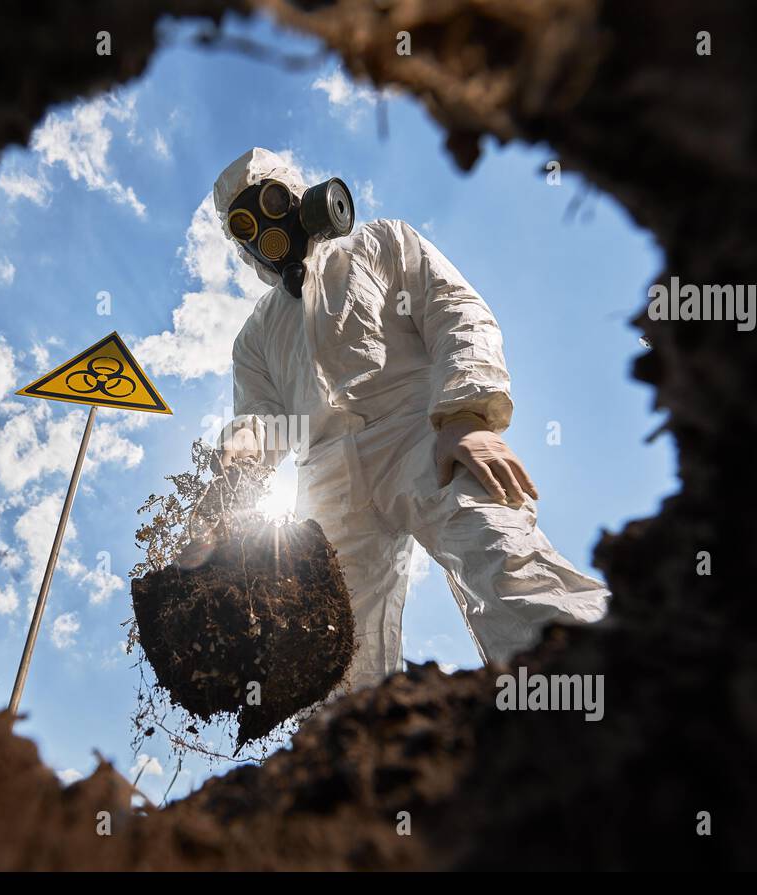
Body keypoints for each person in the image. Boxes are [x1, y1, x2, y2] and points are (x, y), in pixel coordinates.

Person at [210, 147, 609, 691]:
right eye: (245, 224)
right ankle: (353, 766)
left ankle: (607, 691)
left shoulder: (380, 244)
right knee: (330, 642)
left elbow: (455, 310)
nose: (265, 228)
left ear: (302, 195)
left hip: (423, 434)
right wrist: (242, 452)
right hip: (326, 480)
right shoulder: (256, 336)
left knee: (501, 558)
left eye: (271, 201)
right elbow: (264, 417)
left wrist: (466, 415)